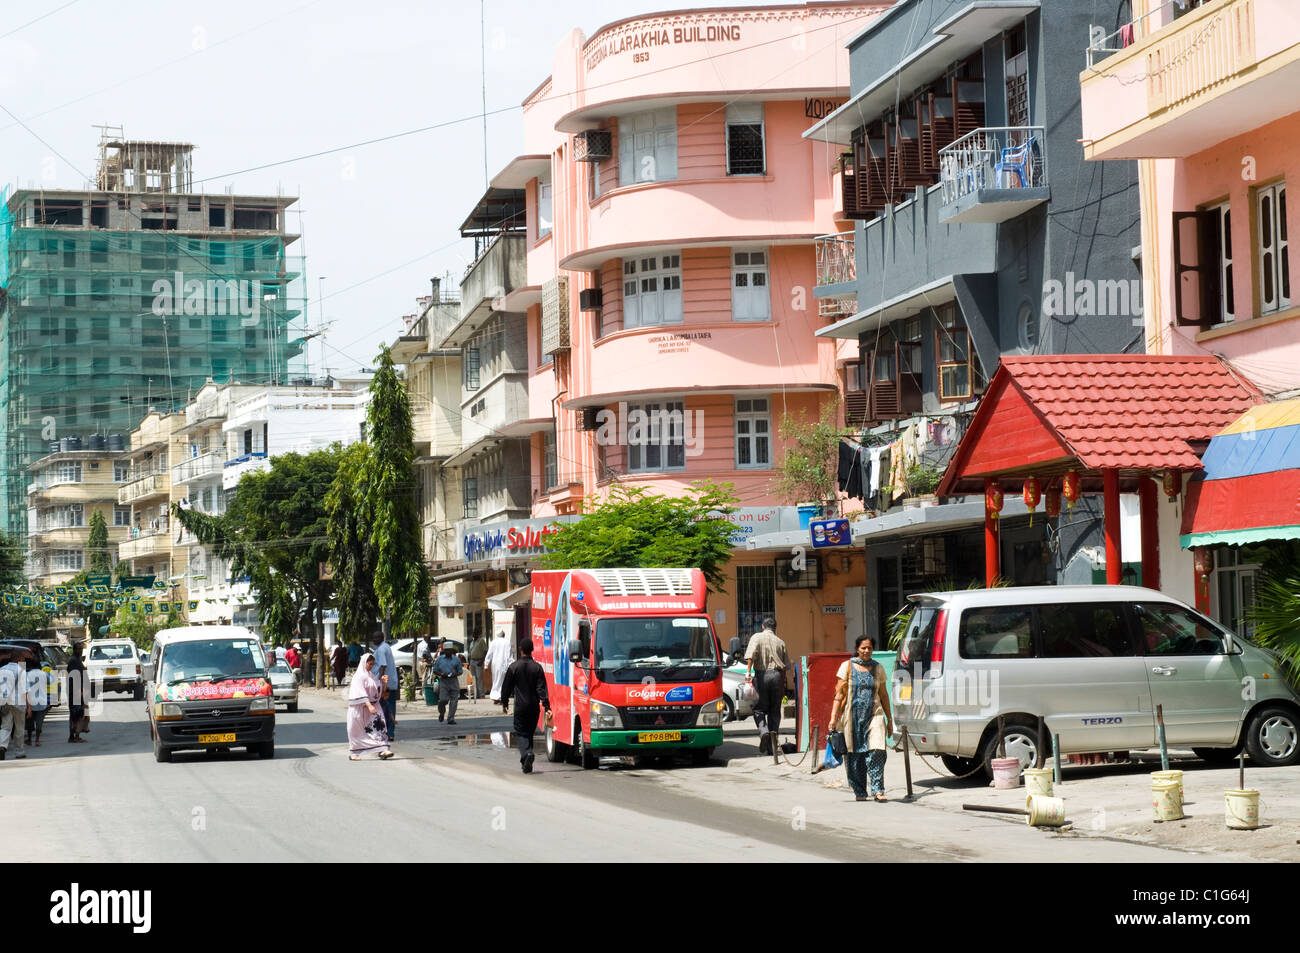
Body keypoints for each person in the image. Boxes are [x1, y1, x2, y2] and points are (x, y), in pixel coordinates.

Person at [828, 635, 894, 802]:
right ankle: (860, 790)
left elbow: (884, 695)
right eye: (863, 648)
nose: (866, 651)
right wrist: (833, 719)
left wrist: (890, 719)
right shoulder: (847, 666)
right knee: (854, 755)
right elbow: (839, 694)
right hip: (851, 718)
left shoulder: (878, 668)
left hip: (875, 716)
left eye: (870, 648)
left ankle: (878, 790)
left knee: (878, 750)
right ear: (857, 649)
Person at [500, 639, 550, 774]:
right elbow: (541, 689)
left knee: (521, 733)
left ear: (521, 649)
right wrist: (547, 706)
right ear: (532, 649)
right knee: (528, 733)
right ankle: (526, 764)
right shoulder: (537, 667)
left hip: (521, 707)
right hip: (534, 708)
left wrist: (504, 702)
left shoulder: (514, 667)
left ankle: (527, 754)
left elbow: (506, 687)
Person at [744, 617, 791, 756]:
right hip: (777, 677)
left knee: (759, 709)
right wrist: (783, 687)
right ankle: (772, 748)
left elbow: (751, 656)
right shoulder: (781, 642)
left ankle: (763, 731)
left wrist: (748, 674)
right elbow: (785, 667)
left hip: (762, 675)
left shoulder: (756, 637)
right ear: (775, 628)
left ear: (763, 627)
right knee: (774, 711)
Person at [346, 652, 394, 761]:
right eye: (369, 664)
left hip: (373, 707)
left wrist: (384, 683)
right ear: (364, 663)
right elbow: (360, 692)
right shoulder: (358, 677)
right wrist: (368, 705)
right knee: (356, 731)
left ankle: (383, 749)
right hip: (360, 708)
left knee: (378, 728)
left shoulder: (371, 677)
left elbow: (379, 693)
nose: (371, 666)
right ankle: (354, 752)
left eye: (373, 664)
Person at [0, 653, 29, 760]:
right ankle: (19, 752)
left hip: (5, 702)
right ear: (18, 659)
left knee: (5, 726)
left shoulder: (2, 669)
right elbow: (24, 690)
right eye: (23, 658)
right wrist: (29, 707)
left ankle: (2, 745)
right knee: (19, 727)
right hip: (18, 703)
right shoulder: (21, 670)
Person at [371, 631, 399, 741]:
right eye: (373, 638)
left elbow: (382, 666)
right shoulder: (385, 647)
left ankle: (389, 732)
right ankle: (388, 732)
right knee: (388, 707)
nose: (374, 639)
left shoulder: (382, 649)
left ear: (382, 637)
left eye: (377, 637)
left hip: (385, 684)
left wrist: (379, 682)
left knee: (387, 708)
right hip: (389, 682)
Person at [431, 641, 464, 724]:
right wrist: (441, 674)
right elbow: (435, 670)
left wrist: (454, 674)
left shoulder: (456, 660)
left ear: (452, 650)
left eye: (449, 650)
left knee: (454, 700)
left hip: (453, 681)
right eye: (446, 650)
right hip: (443, 681)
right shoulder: (440, 659)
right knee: (443, 700)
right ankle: (442, 712)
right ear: (444, 650)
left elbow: (460, 671)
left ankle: (450, 718)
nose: (448, 652)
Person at [24, 657, 52, 748]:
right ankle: (37, 740)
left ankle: (29, 739)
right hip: (42, 701)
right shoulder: (44, 674)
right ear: (39, 665)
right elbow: (49, 683)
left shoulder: (27, 674)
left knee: (30, 722)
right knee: (39, 722)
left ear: (31, 665)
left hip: (31, 702)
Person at [484, 629, 514, 703]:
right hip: (504, 664)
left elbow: (489, 654)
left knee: (496, 680)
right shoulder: (507, 642)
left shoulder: (493, 642)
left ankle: (496, 696)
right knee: (503, 680)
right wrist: (511, 664)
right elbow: (509, 655)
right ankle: (500, 696)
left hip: (495, 665)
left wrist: (486, 665)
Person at [66, 644, 88, 744]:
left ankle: (72, 736)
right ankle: (75, 736)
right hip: (75, 691)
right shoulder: (74, 661)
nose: (80, 651)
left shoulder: (77, 660)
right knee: (78, 714)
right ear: (74, 650)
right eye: (78, 649)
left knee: (75, 714)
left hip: (75, 691)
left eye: (81, 649)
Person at [468, 630, 488, 701]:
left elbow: (485, 651)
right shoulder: (472, 642)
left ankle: (481, 694)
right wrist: (469, 663)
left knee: (479, 678)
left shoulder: (481, 641)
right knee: (474, 678)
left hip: (478, 661)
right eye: (473, 634)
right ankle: (476, 694)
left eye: (475, 633)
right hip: (472, 661)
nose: (473, 635)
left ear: (478, 634)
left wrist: (482, 661)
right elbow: (470, 653)